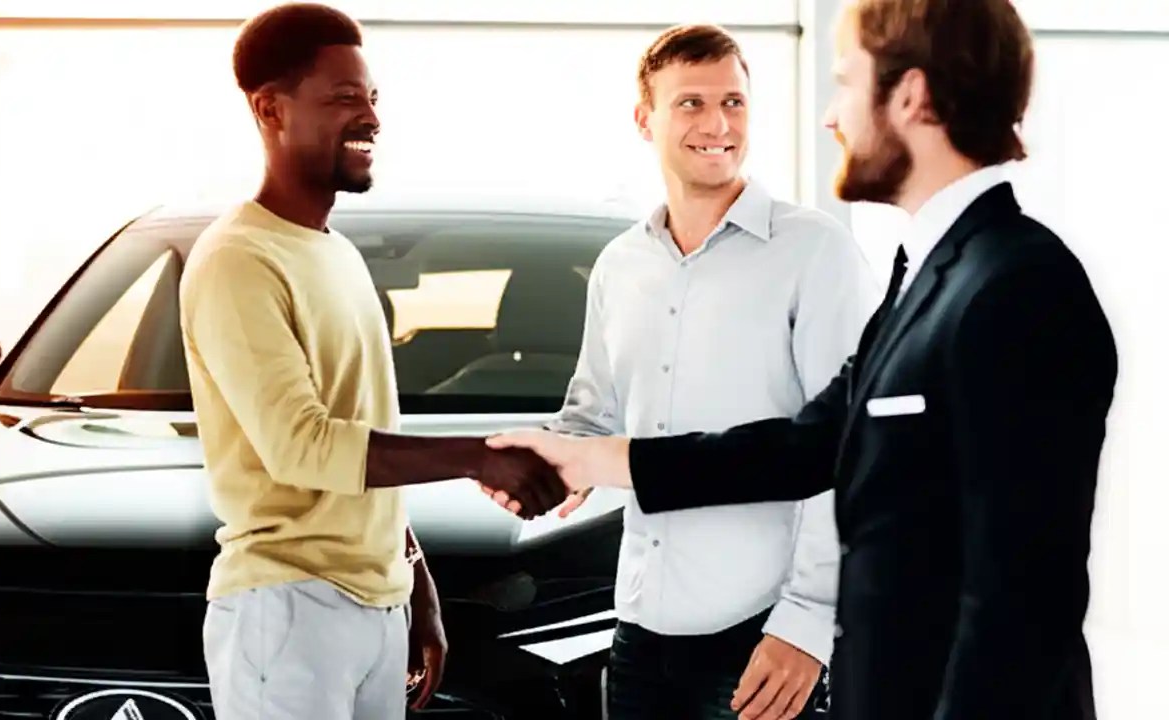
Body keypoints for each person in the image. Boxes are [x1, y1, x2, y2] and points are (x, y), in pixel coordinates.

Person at [488, 1, 1119, 719]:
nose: (829, 116)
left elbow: (1022, 595)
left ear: (908, 96)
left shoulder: (1017, 283)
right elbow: (801, 449)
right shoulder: (930, 275)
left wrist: (804, 626)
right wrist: (587, 460)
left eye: (845, 82)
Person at [178, 4, 566, 719]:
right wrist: (480, 455)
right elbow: (302, 446)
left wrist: (414, 585)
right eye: (343, 98)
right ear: (271, 109)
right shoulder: (239, 260)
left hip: (374, 608)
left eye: (373, 98)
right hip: (287, 611)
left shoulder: (337, 254)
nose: (371, 118)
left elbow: (361, 434)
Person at [493, 23, 876, 720]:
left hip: (760, 634)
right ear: (645, 119)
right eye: (691, 104)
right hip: (639, 631)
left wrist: (808, 625)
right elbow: (592, 415)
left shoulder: (815, 253)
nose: (717, 125)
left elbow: (847, 451)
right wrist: (537, 464)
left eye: (732, 103)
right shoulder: (619, 266)